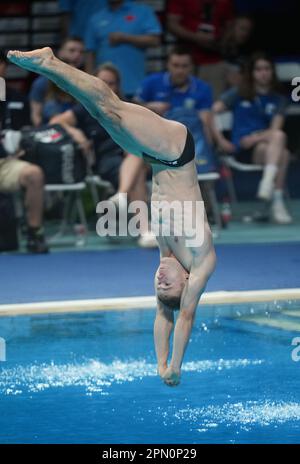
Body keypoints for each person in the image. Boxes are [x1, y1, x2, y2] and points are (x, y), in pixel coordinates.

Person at [7, 47, 216, 386]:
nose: (160, 281)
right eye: (168, 286)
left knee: (100, 112)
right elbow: (184, 315)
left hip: (154, 158)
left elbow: (164, 312)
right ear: (187, 283)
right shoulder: (200, 257)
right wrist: (176, 366)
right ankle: (48, 62)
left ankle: (50, 69)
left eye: (158, 286)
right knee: (110, 107)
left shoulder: (167, 259)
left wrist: (159, 364)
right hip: (176, 151)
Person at [50, 62, 156, 247]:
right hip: (106, 162)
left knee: (136, 157)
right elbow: (55, 122)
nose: (107, 86)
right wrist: (75, 132)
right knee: (137, 171)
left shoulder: (128, 107)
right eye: (102, 81)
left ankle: (122, 197)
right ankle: (144, 230)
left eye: (112, 83)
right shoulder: (84, 108)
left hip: (134, 156)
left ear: (118, 86)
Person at [212, 52, 292, 224]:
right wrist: (220, 140)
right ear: (252, 73)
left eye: (267, 69)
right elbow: (211, 113)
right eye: (259, 69)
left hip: (265, 148)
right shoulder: (238, 93)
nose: (263, 73)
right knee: (281, 148)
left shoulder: (279, 99)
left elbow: (275, 129)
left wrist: (255, 138)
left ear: (272, 71)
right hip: (242, 149)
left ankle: (269, 185)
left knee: (281, 145)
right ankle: (276, 199)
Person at [134, 46, 216, 173]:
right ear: (168, 65)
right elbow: (133, 110)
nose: (180, 70)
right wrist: (151, 107)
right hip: (157, 143)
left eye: (184, 66)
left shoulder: (202, 88)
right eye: (176, 65)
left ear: (191, 67)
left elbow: (206, 123)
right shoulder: (151, 82)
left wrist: (210, 151)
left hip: (191, 144)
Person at [0, 51, 48, 253]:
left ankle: (34, 233)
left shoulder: (18, 99)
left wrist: (22, 147)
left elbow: (28, 133)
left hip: (6, 163)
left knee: (34, 174)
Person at [84, 0, 162, 99]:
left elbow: (155, 40)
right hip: (104, 91)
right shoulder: (95, 18)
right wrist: (89, 84)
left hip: (135, 88)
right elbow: (89, 52)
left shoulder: (143, 11)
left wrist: (125, 38)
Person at [167, 0, 234, 99]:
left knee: (213, 100)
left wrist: (219, 42)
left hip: (213, 59)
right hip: (184, 55)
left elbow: (230, 25)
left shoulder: (224, 2)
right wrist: (196, 37)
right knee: (179, 99)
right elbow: (171, 23)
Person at [29, 36, 85, 126]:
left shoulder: (86, 82)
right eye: (72, 50)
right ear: (60, 53)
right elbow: (36, 116)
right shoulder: (42, 83)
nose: (77, 55)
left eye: (81, 52)